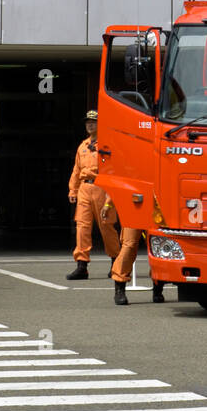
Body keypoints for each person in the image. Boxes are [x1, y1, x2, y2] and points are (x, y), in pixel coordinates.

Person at [66, 110, 121, 280]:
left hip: (101, 188)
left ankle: (116, 262)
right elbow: (76, 170)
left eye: (94, 122)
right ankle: (82, 265)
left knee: (107, 226)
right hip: (84, 189)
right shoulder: (82, 146)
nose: (90, 125)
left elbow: (113, 170)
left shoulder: (107, 145)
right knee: (82, 227)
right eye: (87, 122)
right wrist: (72, 189)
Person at [104, 215, 165, 306]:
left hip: (155, 209)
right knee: (129, 246)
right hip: (134, 209)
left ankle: (158, 286)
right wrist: (108, 204)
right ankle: (119, 286)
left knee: (159, 246)